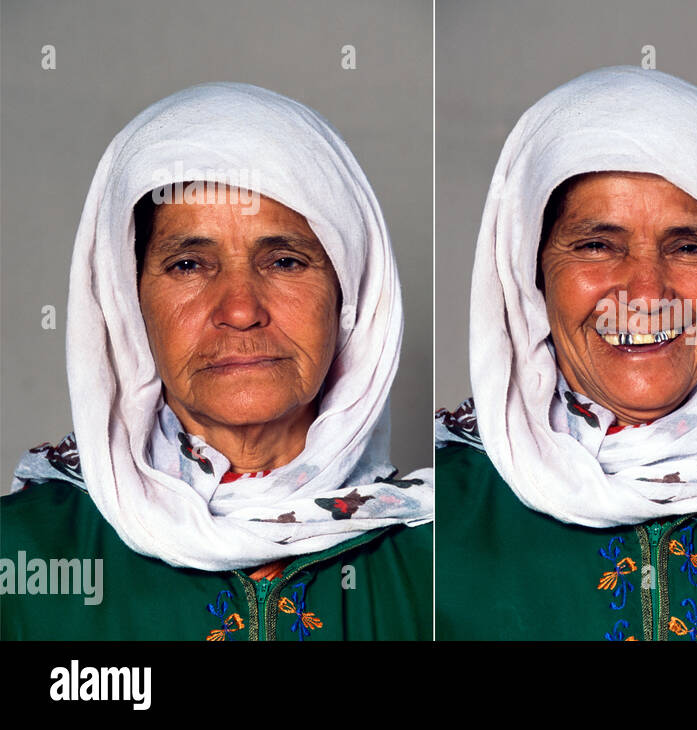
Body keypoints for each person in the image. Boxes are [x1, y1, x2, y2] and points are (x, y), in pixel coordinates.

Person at [436, 66, 697, 640]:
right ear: (530, 274)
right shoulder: (434, 517)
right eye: (597, 245)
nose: (645, 294)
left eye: (689, 247)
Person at [1, 83, 433, 641]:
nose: (239, 309)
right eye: (187, 264)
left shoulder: (444, 561)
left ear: (349, 294)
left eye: (283, 261)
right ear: (128, 303)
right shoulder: (25, 559)